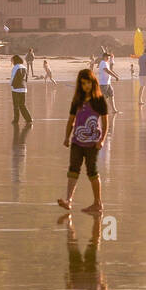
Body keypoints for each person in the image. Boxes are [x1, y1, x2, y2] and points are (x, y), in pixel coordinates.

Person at [58, 69, 108, 214]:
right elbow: (71, 120)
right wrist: (66, 137)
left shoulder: (99, 100)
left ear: (93, 83)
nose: (86, 86)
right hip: (77, 142)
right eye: (83, 83)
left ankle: (98, 203)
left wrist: (102, 140)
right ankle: (68, 200)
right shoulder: (77, 101)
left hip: (93, 143)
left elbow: (105, 123)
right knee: (73, 170)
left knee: (92, 172)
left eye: (88, 83)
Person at [9, 54, 32, 125]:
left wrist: (11, 85)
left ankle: (16, 120)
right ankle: (29, 119)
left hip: (16, 88)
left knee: (16, 105)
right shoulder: (24, 67)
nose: (12, 62)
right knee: (22, 105)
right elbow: (26, 78)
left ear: (15, 60)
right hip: (23, 88)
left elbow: (13, 77)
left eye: (12, 60)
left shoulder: (15, 67)